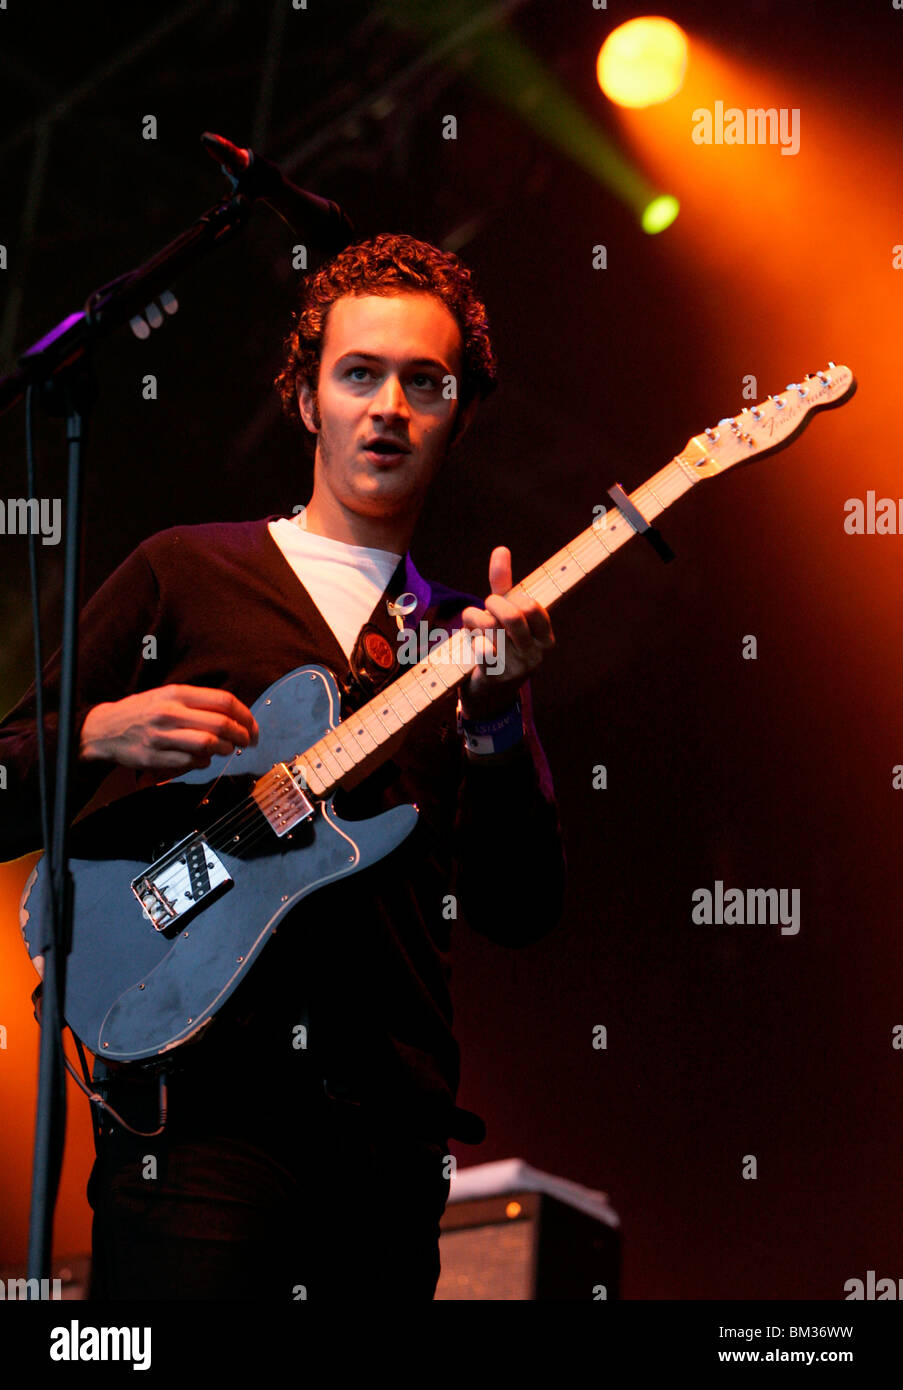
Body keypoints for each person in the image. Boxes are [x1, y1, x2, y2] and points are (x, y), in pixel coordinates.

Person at [0, 232, 567, 1300]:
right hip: (197, 1125)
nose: (388, 405)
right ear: (306, 401)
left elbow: (523, 904)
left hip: (385, 1151)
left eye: (424, 381)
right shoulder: (184, 571)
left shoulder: (463, 641)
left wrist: (496, 719)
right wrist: (95, 730)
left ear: (462, 413)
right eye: (358, 373)